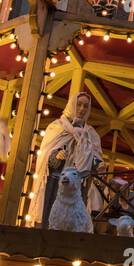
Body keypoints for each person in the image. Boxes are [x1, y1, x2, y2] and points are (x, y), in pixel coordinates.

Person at [28, 92, 104, 226]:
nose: (82, 109)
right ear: (72, 105)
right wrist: (55, 155)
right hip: (56, 182)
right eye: (79, 105)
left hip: (77, 185)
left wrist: (97, 163)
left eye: (86, 106)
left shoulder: (91, 134)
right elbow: (45, 154)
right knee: (52, 218)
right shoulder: (56, 127)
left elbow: (95, 158)